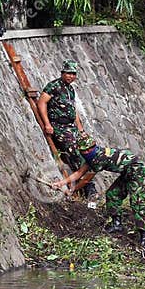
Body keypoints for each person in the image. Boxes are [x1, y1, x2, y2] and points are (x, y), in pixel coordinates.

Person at [52, 133, 145, 247]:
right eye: (83, 150)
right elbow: (79, 173)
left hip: (137, 172)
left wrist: (71, 190)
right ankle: (117, 224)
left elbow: (86, 179)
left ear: (92, 147)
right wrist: (61, 183)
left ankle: (144, 236)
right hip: (126, 172)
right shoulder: (91, 157)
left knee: (137, 203)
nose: (85, 152)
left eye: (87, 149)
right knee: (112, 194)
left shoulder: (98, 158)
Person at [36, 59, 96, 198]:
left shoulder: (70, 90)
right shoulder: (54, 86)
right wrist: (47, 124)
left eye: (73, 74)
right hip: (59, 126)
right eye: (68, 73)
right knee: (74, 150)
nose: (70, 76)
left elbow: (73, 111)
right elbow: (41, 103)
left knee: (87, 149)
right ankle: (86, 186)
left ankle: (87, 182)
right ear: (62, 73)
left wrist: (81, 131)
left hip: (71, 126)